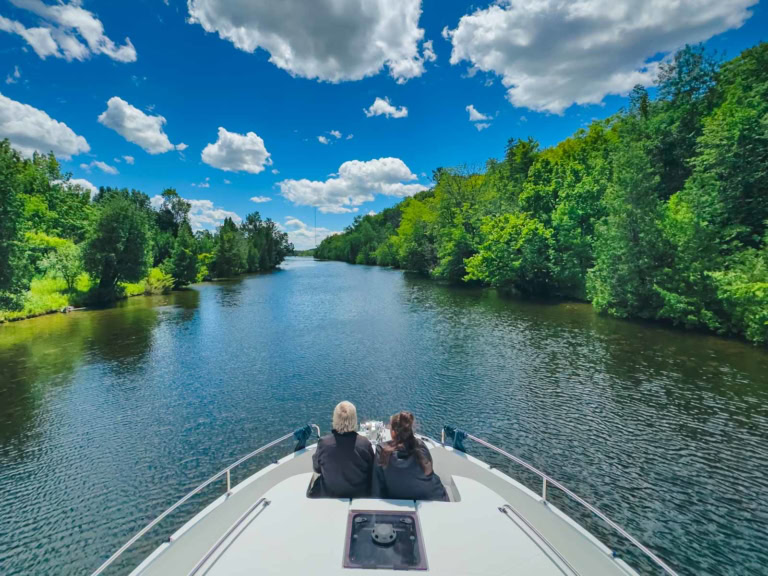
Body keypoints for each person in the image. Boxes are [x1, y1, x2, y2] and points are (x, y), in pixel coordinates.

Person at [372, 411, 448, 501]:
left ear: (393, 432)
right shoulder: (421, 446)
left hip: (399, 499)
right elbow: (430, 472)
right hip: (435, 497)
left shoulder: (382, 450)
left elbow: (377, 487)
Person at [309, 401, 374, 498]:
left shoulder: (324, 443)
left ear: (335, 418)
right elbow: (372, 470)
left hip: (329, 494)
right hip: (359, 495)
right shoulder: (364, 444)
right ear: (354, 419)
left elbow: (317, 468)